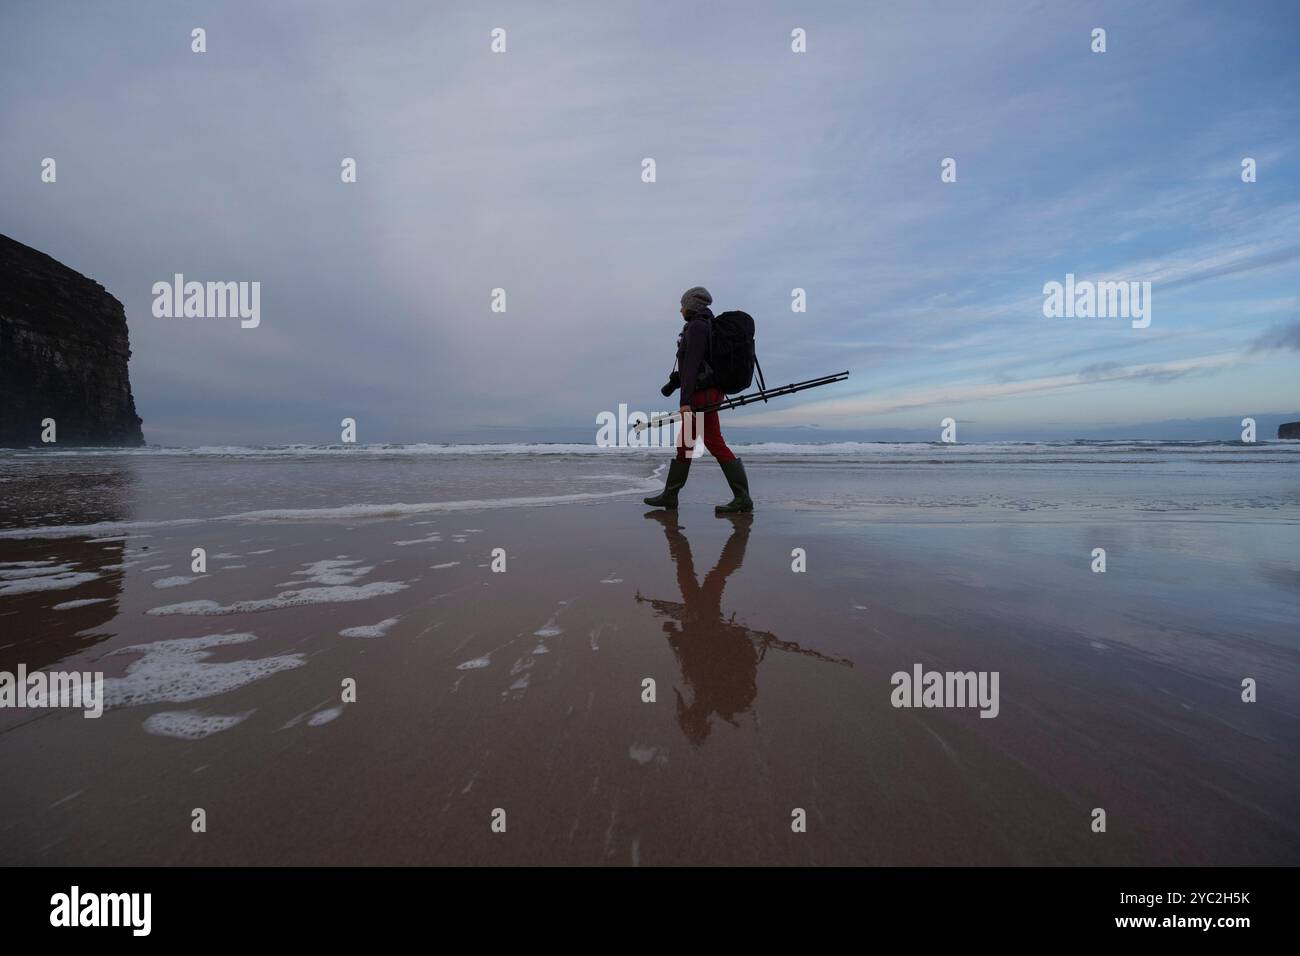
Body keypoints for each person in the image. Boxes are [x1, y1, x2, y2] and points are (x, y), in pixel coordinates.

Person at [643, 286, 753, 512]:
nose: (680, 309)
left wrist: (684, 402)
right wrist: (674, 384)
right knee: (686, 445)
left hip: (702, 395)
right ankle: (670, 496)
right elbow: (693, 366)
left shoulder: (697, 327)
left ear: (691, 306)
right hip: (705, 392)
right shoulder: (703, 326)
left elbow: (692, 366)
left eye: (682, 305)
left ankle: (742, 498)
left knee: (712, 441)